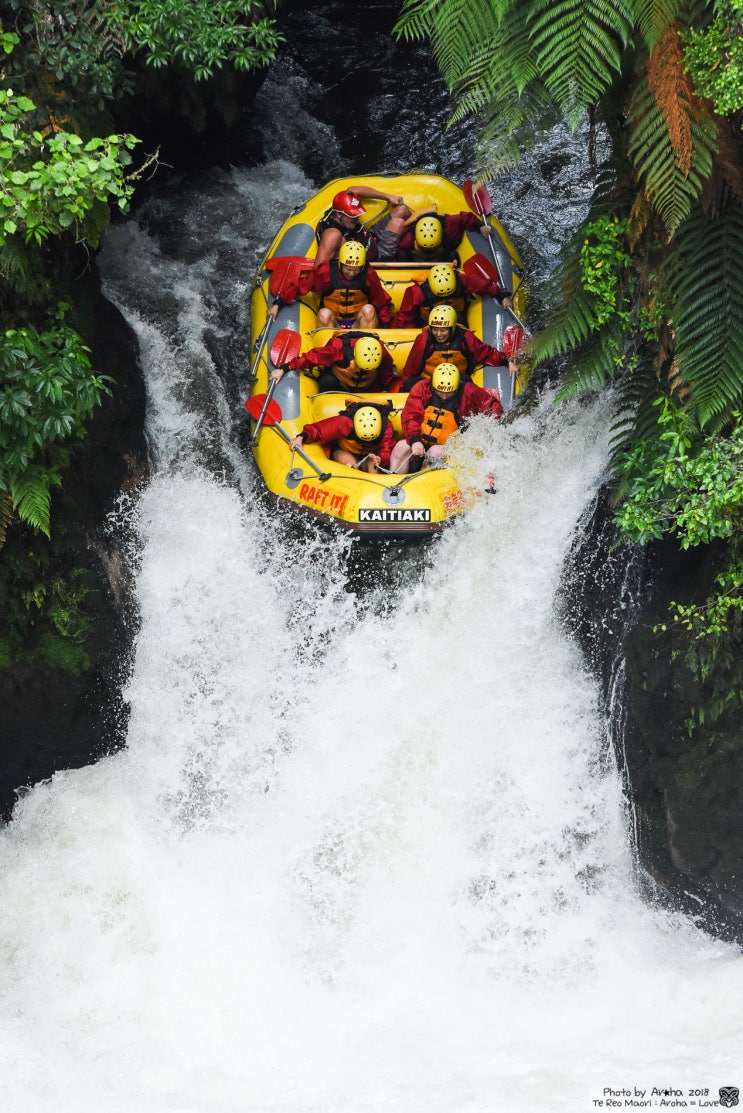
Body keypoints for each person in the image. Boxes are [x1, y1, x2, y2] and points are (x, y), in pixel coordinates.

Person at [389, 362, 503, 473]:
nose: (444, 396)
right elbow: (411, 415)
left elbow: (492, 407)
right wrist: (415, 440)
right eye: (440, 392)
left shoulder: (469, 391)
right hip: (420, 442)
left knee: (435, 452)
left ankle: (427, 482)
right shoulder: (422, 388)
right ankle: (392, 481)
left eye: (449, 393)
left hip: (447, 447)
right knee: (401, 447)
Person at [267, 241, 393, 329]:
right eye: (348, 269)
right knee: (323, 313)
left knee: (369, 310)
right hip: (334, 324)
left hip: (358, 324)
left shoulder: (369, 274)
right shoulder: (326, 271)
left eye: (356, 270)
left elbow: (380, 302)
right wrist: (278, 303)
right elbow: (301, 285)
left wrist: (386, 327)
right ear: (340, 264)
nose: (351, 273)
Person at [398, 303, 519, 391]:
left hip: (457, 385)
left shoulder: (465, 337)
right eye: (435, 329)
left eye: (443, 330)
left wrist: (507, 361)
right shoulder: (423, 340)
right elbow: (410, 370)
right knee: (409, 383)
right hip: (429, 385)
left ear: (452, 328)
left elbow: (486, 353)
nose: (438, 334)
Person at [391, 262, 513, 329]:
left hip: (456, 318)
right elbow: (404, 316)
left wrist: (501, 296)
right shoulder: (416, 292)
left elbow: (483, 285)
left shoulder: (461, 280)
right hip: (428, 322)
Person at [289, 400, 397, 473]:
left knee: (374, 467)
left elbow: (387, 449)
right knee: (350, 465)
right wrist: (302, 436)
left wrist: (381, 459)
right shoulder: (344, 422)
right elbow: (320, 429)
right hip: (343, 450)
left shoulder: (386, 426)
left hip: (368, 455)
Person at [315, 187, 412, 266]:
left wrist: (389, 197)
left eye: (357, 214)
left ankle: (414, 234)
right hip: (376, 259)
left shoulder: (340, 210)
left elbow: (352, 190)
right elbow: (318, 270)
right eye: (352, 215)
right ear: (339, 214)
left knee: (402, 210)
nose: (356, 218)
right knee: (397, 223)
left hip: (368, 236)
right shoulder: (333, 235)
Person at [270, 332, 397, 392]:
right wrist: (285, 368)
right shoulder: (337, 348)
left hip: (366, 385)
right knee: (327, 381)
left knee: (379, 385)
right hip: (340, 383)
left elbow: (387, 370)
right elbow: (313, 357)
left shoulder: (380, 350)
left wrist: (385, 388)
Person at [395, 207, 494, 264]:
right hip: (416, 262)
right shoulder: (408, 238)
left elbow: (465, 218)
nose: (429, 250)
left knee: (453, 255)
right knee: (402, 255)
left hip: (442, 261)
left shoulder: (449, 226)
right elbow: (397, 249)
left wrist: (480, 226)